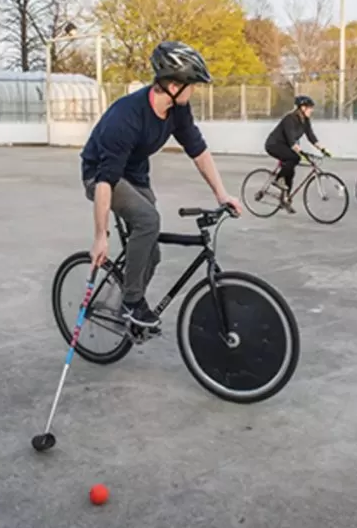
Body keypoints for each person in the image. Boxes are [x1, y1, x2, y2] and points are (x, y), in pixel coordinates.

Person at [80, 41, 242, 330]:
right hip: (101, 175)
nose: (194, 90)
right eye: (192, 84)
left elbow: (198, 151)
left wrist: (221, 193)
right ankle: (132, 303)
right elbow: (106, 181)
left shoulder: (178, 110)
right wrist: (99, 235)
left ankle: (126, 305)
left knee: (151, 253)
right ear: (173, 85)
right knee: (148, 220)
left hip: (136, 175)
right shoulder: (126, 117)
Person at [264, 95, 330, 213]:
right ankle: (278, 179)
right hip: (274, 145)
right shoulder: (289, 119)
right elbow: (291, 140)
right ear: (302, 108)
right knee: (294, 157)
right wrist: (301, 152)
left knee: (291, 172)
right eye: (310, 108)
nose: (312, 110)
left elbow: (311, 136)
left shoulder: (305, 121)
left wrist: (323, 149)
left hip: (286, 146)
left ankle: (285, 199)